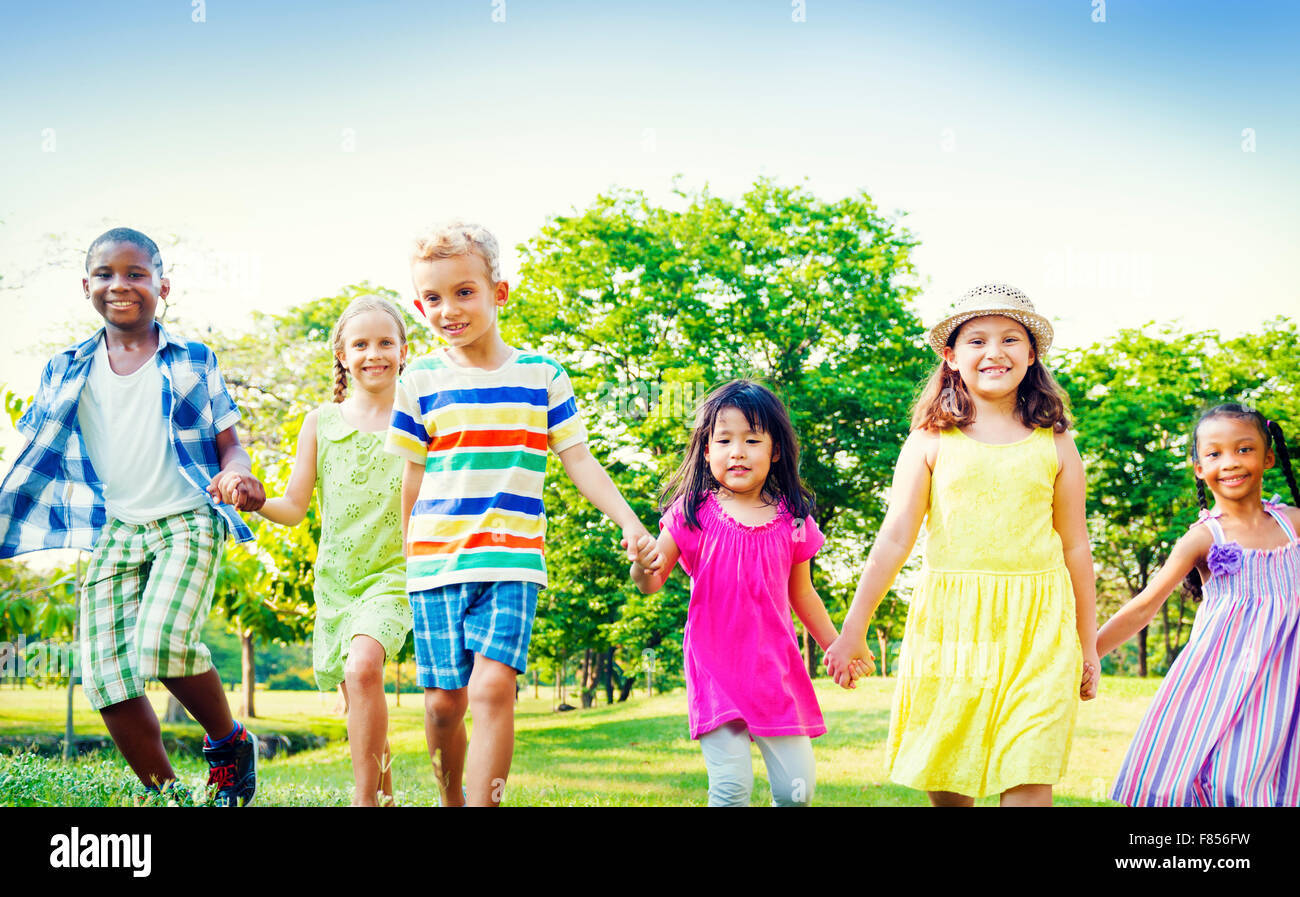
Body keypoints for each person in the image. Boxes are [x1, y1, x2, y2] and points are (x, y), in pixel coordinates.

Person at [385, 220, 659, 807]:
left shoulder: (542, 377)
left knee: (492, 691)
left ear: (498, 293)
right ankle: (450, 798)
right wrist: (405, 548)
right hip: (435, 564)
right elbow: (411, 474)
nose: (448, 309)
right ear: (418, 304)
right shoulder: (420, 380)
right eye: (432, 298)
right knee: (442, 704)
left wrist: (631, 522)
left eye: (464, 292)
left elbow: (579, 460)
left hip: (513, 560)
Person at [0, 227, 264, 806]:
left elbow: (230, 444)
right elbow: (30, 454)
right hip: (116, 528)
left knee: (164, 641)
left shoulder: (194, 360)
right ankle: (169, 797)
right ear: (86, 287)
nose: (120, 285)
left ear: (161, 286)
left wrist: (237, 474)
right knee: (104, 674)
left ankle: (229, 744)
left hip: (186, 518)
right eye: (105, 274)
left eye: (136, 274)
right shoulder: (64, 368)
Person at [825, 283, 1099, 807]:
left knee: (1029, 768)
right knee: (949, 775)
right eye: (977, 341)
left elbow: (1076, 547)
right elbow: (895, 537)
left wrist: (1087, 645)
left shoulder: (1057, 443)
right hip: (953, 623)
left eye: (1010, 339)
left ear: (1032, 353)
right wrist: (853, 630)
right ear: (951, 356)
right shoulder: (930, 439)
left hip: (1039, 626)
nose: (994, 352)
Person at [629, 380, 862, 806]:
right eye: (724, 440)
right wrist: (642, 564)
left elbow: (803, 594)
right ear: (706, 451)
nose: (737, 451)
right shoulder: (691, 513)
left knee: (797, 791)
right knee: (731, 788)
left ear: (775, 451)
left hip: (775, 672)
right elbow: (651, 580)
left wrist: (837, 645)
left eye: (752, 439)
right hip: (714, 670)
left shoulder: (794, 519)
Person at [246, 295, 414, 806]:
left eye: (386, 342)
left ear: (405, 351)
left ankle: (363, 802)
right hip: (338, 580)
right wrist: (257, 501)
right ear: (342, 355)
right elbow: (295, 507)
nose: (374, 353)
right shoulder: (320, 422)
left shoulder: (421, 417)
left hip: (397, 572)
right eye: (360, 344)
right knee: (360, 696)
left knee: (364, 668)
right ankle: (384, 799)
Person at [1098, 404, 1300, 806]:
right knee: (1221, 777)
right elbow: (1144, 606)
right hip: (1221, 680)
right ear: (1198, 467)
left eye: (1244, 449)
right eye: (1214, 454)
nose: (1230, 462)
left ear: (1268, 457)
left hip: (1287, 684)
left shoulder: (1294, 524)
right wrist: (1086, 652)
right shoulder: (1203, 538)